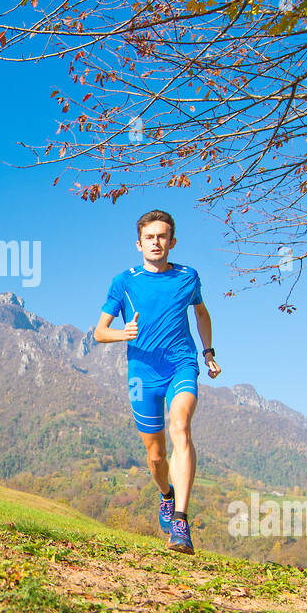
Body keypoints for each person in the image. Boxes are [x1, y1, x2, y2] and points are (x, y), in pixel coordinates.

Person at [93, 210, 221, 554]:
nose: (156, 242)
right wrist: (123, 334)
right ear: (139, 244)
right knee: (155, 456)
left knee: (181, 426)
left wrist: (207, 352)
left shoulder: (188, 277)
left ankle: (180, 521)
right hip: (142, 374)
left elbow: (202, 313)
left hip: (181, 364)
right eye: (150, 237)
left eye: (162, 236)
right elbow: (99, 332)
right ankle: (166, 494)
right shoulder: (124, 281)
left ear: (172, 242)